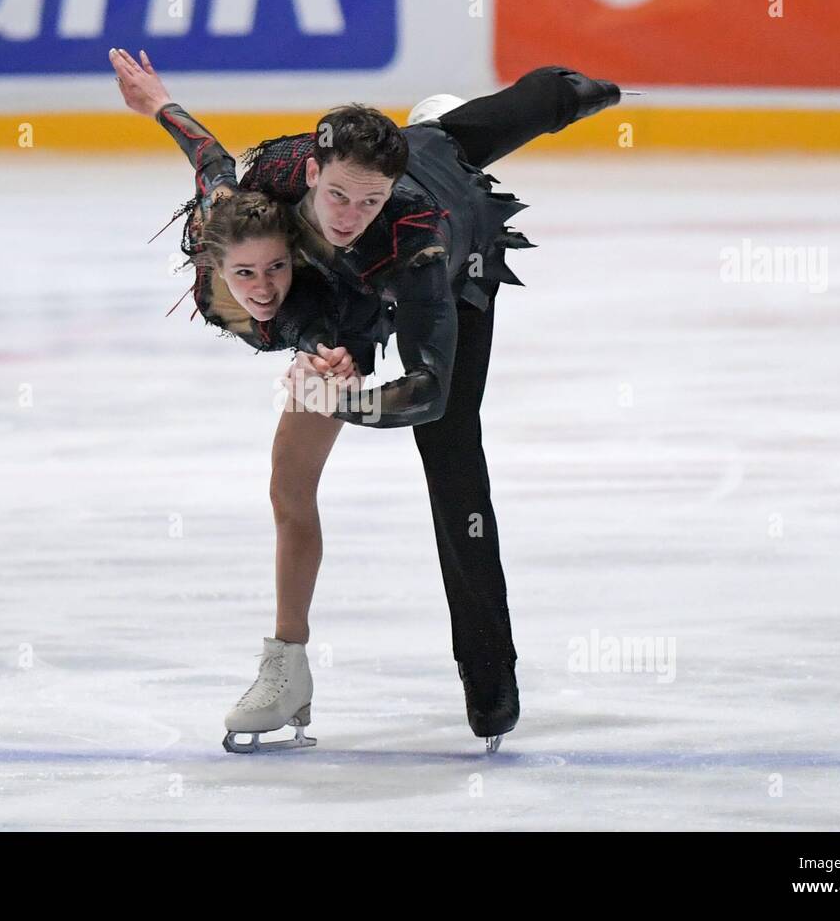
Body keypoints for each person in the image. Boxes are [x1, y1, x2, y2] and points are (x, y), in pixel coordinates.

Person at [110, 48, 623, 752]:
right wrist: (159, 103)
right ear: (311, 175)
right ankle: (286, 669)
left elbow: (429, 393)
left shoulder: (419, 241)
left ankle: (488, 671)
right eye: (339, 196)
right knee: (289, 481)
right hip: (342, 293)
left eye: (369, 201)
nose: (349, 215)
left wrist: (344, 396)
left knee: (450, 449)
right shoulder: (258, 198)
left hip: (445, 262)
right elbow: (209, 159)